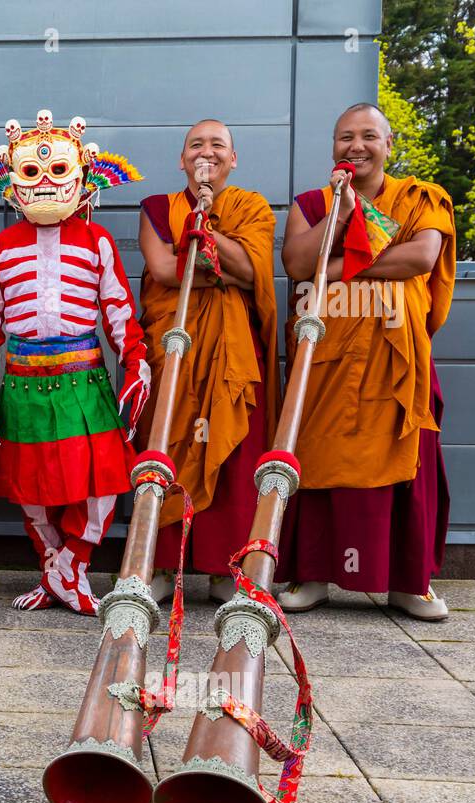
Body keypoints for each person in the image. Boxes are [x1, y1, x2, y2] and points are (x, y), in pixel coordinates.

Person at [0, 111, 148, 615]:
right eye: (30, 173)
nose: (45, 181)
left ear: (83, 176)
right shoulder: (1, 247)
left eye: (57, 171)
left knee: (103, 479)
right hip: (23, 384)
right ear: (11, 182)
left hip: (84, 381)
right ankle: (57, 572)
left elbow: (119, 312)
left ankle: (70, 567)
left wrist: (136, 363)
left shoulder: (99, 241)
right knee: (31, 487)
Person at [277, 103, 455, 620]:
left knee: (406, 459)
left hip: (396, 358)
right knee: (316, 459)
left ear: (389, 145)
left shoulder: (420, 198)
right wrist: (342, 214)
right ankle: (311, 576)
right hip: (327, 358)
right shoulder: (312, 204)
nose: (356, 146)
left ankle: (407, 583)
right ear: (333, 146)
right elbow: (295, 262)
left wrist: (338, 266)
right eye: (345, 137)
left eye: (369, 136)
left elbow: (421, 258)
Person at [136, 119, 278, 604]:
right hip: (174, 343)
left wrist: (204, 240)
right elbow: (161, 270)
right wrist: (223, 269)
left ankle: (226, 569)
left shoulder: (252, 208)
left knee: (232, 449)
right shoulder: (159, 208)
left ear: (233, 159)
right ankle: (156, 565)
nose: (207, 151)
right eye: (196, 144)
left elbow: (254, 269)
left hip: (232, 352)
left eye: (218, 144)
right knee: (166, 443)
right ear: (181, 159)